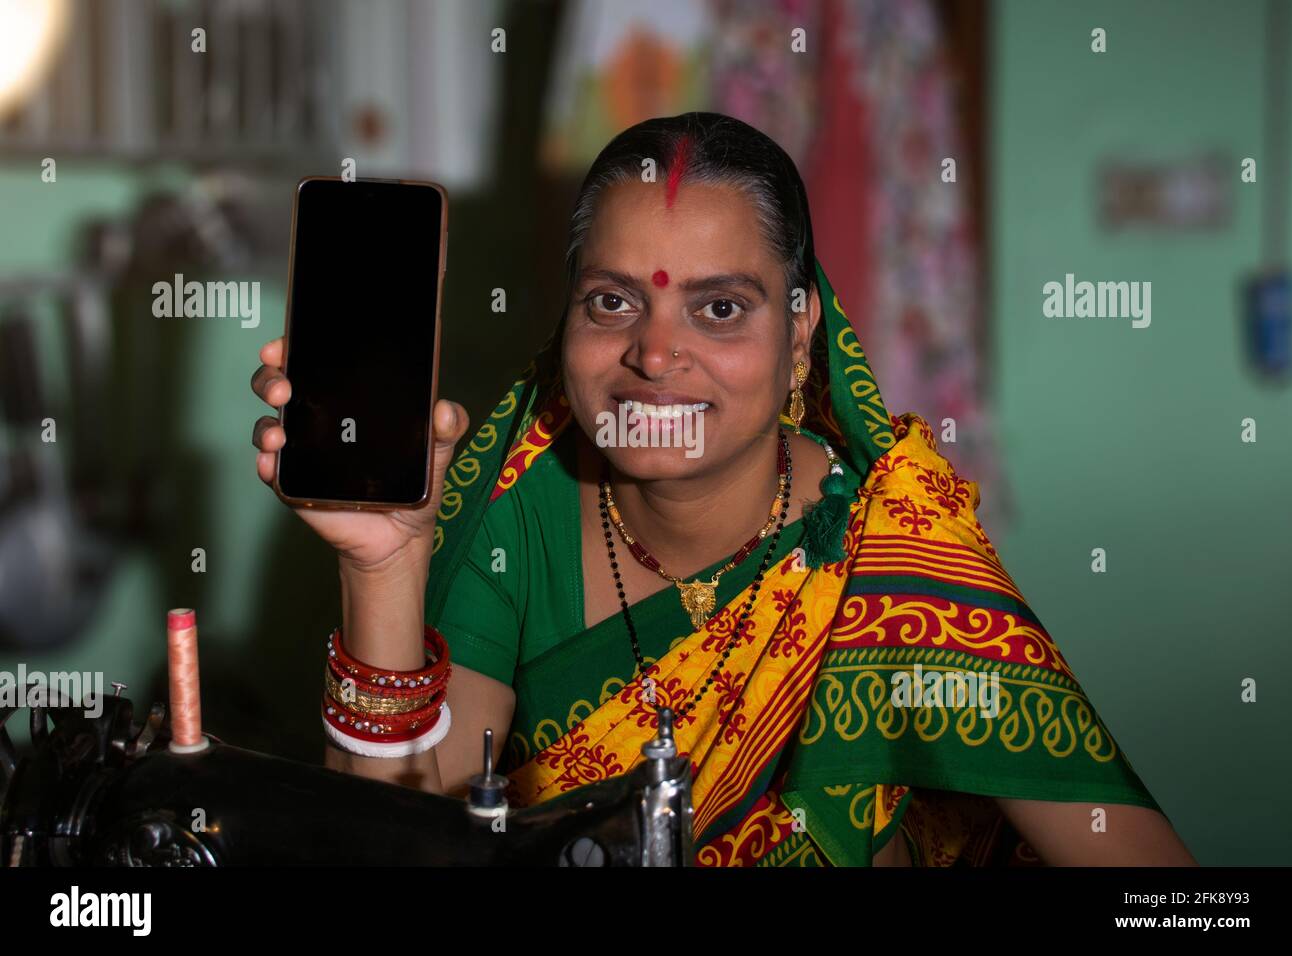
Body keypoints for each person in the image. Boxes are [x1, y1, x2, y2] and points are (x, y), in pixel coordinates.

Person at [249, 112, 1195, 866]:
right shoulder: (516, 519)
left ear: (799, 336)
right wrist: (386, 566)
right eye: (612, 301)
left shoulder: (884, 537)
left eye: (720, 308)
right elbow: (402, 843)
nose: (655, 355)